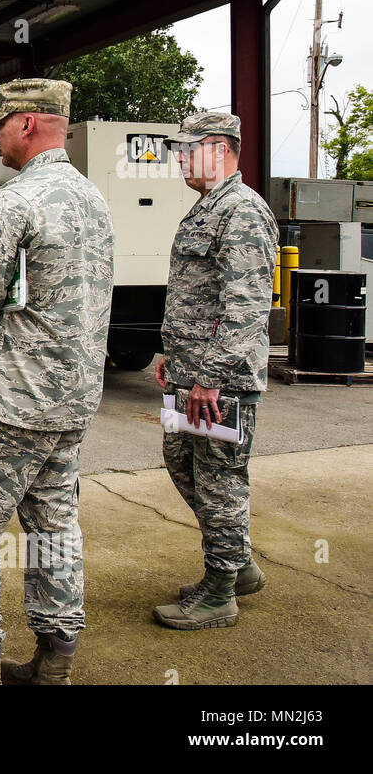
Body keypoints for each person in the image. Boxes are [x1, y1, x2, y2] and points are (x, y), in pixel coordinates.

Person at [0, 79, 114, 684]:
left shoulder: (13, 201)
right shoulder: (93, 200)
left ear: (28, 124)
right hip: (71, 400)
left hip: (6, 401)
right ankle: (54, 664)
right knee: (53, 527)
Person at [152, 112, 278, 631]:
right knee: (182, 460)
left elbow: (246, 305)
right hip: (191, 373)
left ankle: (220, 592)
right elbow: (196, 296)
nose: (179, 158)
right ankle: (238, 563)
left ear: (220, 147)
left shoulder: (242, 210)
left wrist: (212, 376)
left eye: (188, 148)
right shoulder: (210, 208)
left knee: (220, 477)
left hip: (220, 383)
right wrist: (173, 357)